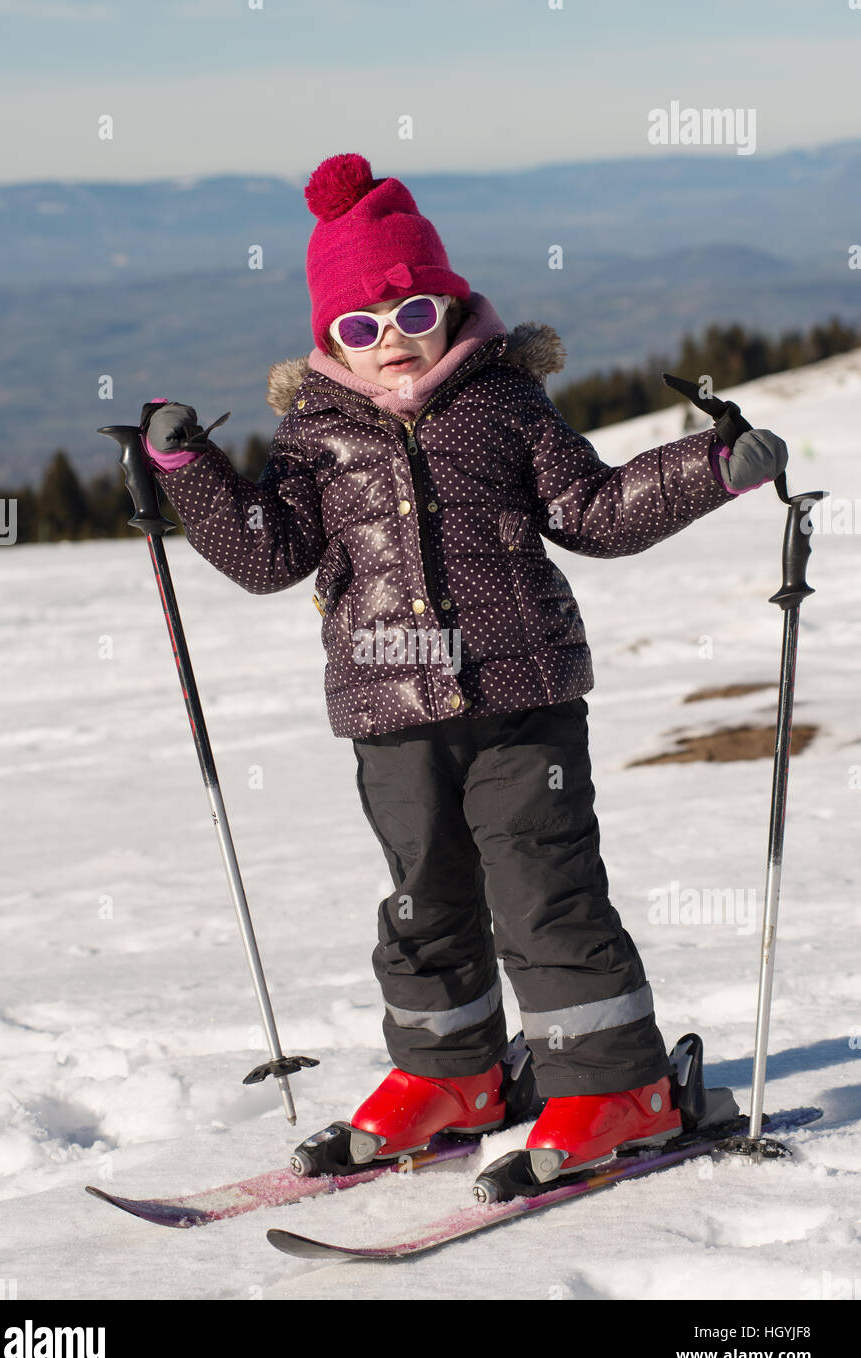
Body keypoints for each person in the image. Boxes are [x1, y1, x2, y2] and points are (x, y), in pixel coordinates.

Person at [143, 152, 787, 1178]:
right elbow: (268, 556)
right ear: (328, 342)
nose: (389, 344)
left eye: (409, 314)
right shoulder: (313, 434)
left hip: (521, 700)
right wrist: (192, 474)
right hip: (387, 709)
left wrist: (709, 468)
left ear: (450, 305)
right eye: (359, 328)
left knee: (542, 889)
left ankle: (617, 1083)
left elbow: (594, 511)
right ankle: (455, 1071)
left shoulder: (505, 406)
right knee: (422, 897)